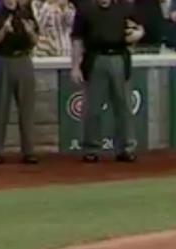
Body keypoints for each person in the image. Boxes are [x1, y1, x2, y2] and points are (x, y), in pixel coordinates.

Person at [71, 0, 144, 162]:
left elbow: (140, 28)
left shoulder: (125, 7)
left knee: (123, 106)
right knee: (92, 108)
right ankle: (91, 149)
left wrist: (138, 34)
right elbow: (77, 40)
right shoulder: (85, 9)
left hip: (119, 57)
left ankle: (126, 148)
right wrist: (75, 66)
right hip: (95, 58)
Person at [0, 0, 40, 164]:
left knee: (27, 109)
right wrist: (3, 31)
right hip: (2, 60)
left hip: (23, 59)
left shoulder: (26, 13)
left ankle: (29, 151)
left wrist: (30, 32)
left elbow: (35, 40)